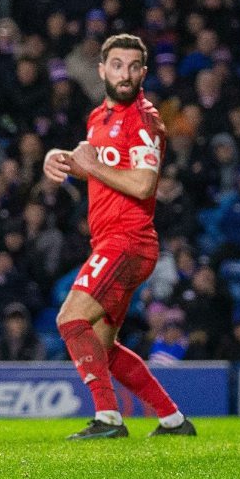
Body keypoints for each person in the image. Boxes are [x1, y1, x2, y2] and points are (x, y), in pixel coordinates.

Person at [43, 33, 196, 439]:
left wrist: (91, 165)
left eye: (133, 67)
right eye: (117, 65)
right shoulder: (98, 117)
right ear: (102, 70)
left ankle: (108, 418)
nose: (125, 74)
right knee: (102, 348)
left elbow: (144, 184)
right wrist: (59, 159)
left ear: (143, 73)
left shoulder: (144, 120)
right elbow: (97, 166)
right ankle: (173, 420)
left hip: (127, 241)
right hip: (114, 243)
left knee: (70, 318)